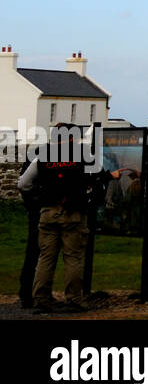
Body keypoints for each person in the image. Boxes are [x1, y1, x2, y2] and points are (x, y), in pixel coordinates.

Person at [17, 125, 120, 313]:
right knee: (73, 257)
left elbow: (23, 184)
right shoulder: (82, 154)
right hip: (73, 211)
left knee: (45, 257)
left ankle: (41, 298)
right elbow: (97, 176)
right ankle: (74, 299)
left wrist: (39, 199)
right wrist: (111, 176)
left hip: (47, 211)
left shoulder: (42, 154)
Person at [17, 155, 40, 309]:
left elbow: (24, 184)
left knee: (35, 253)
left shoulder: (36, 154)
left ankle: (29, 292)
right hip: (41, 208)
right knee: (42, 255)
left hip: (36, 208)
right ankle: (33, 293)